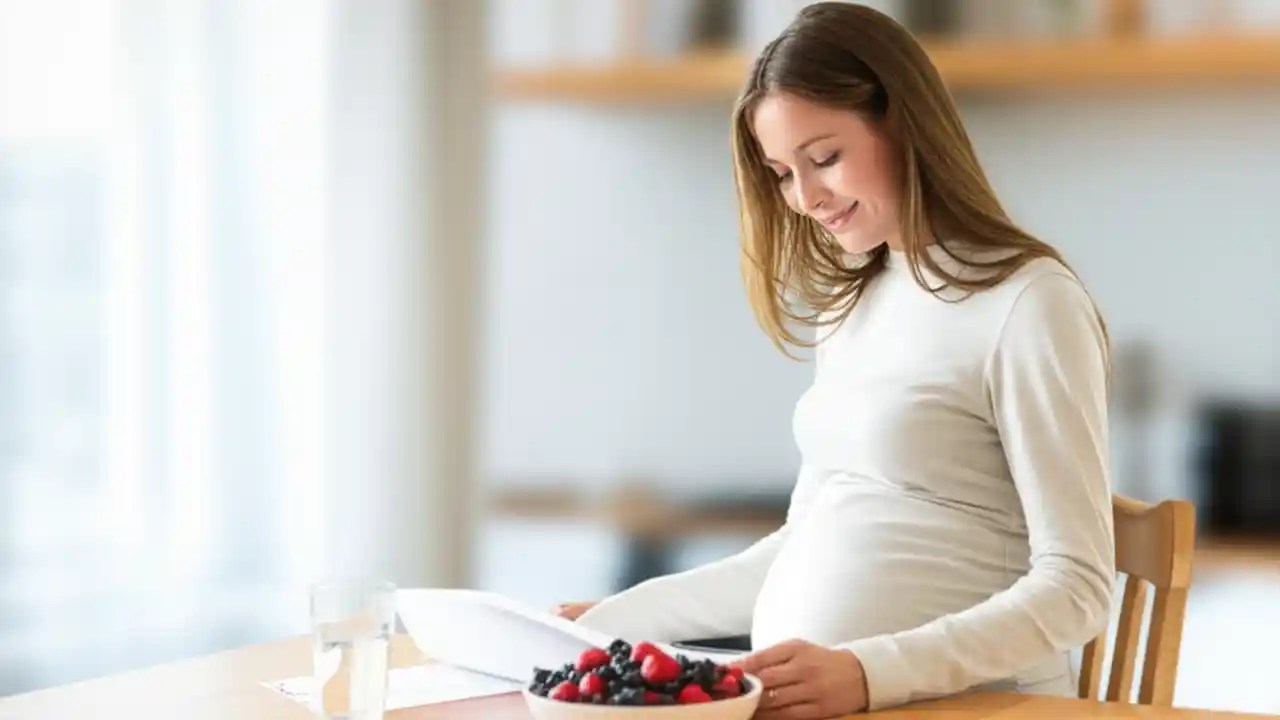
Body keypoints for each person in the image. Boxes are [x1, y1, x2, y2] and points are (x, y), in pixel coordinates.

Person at [553, 3, 1115, 717]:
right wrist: (615, 621)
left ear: (903, 122)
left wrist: (867, 671)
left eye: (824, 158)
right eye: (784, 173)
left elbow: (1077, 588)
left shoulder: (1028, 302)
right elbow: (797, 546)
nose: (806, 198)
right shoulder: (853, 305)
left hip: (976, 705)